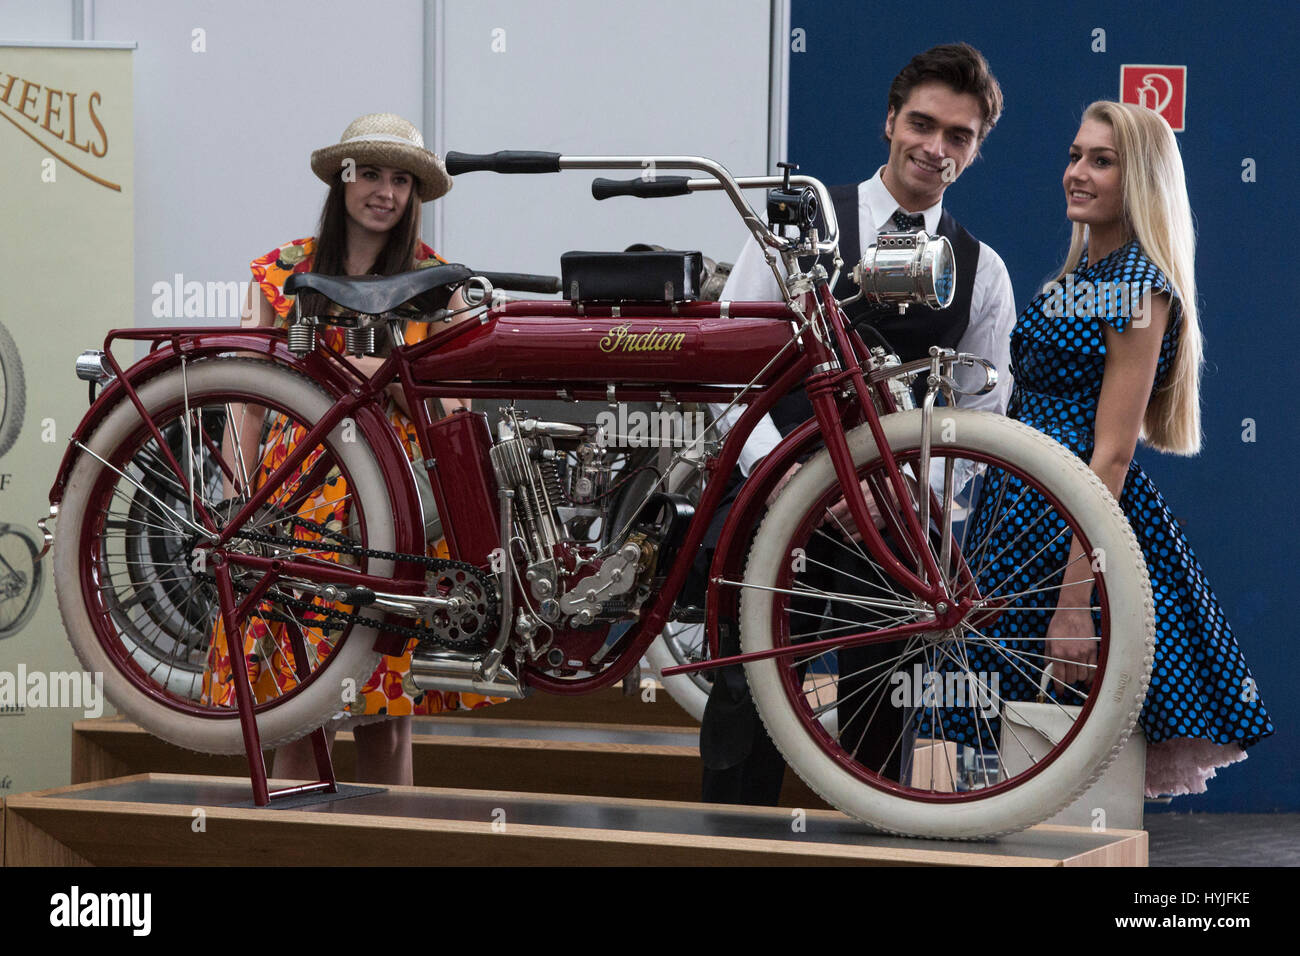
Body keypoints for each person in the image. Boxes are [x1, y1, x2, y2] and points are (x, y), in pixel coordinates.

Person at [695, 43, 1016, 805]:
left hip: (897, 529)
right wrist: (794, 484)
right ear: (889, 121)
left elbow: (979, 420)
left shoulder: (984, 272)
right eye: (923, 123)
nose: (935, 148)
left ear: (975, 150)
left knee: (881, 720)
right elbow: (727, 374)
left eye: (959, 136)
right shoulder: (796, 229)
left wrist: (903, 494)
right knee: (747, 699)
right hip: (774, 504)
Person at [921, 100, 1273, 796]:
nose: (1076, 173)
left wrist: (1074, 601)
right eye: (1075, 155)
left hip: (1074, 531)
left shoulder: (1140, 289)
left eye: (1101, 161)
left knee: (1061, 762)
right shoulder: (1078, 279)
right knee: (1000, 756)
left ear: (1138, 178)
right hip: (1015, 520)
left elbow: (1112, 455)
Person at [201, 113, 503, 785]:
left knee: (386, 704)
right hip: (294, 495)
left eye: (401, 180)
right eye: (369, 174)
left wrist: (385, 379)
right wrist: (235, 501)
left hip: (396, 502)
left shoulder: (440, 283)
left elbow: (457, 414)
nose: (385, 192)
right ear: (341, 181)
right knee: (296, 698)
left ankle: (388, 847)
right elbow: (245, 402)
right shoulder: (282, 273)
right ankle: (290, 846)